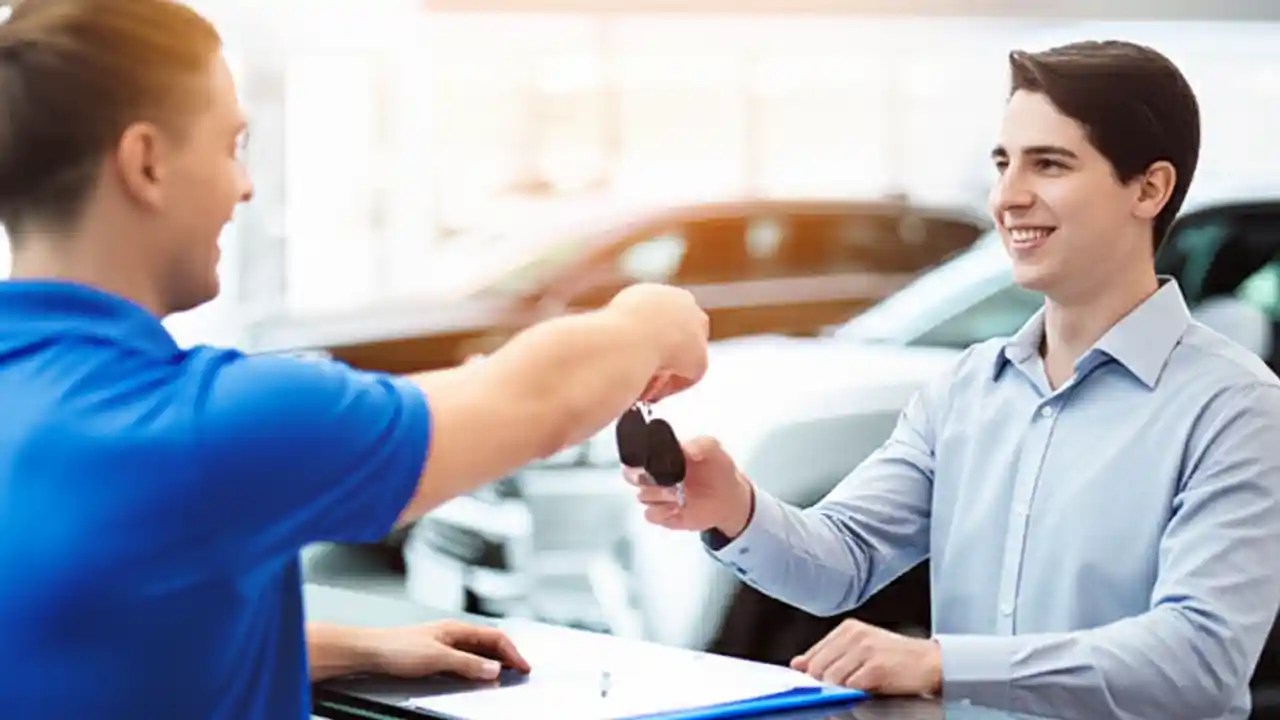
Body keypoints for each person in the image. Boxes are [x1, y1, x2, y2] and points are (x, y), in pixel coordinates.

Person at [0, 1, 707, 718]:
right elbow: (534, 400)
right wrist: (650, 322)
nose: (243, 187)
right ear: (146, 162)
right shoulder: (199, 428)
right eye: (230, 146)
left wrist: (365, 649)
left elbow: (94, 625)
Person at [631, 40, 1280, 720]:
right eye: (1003, 164)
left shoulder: (1234, 407)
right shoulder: (969, 388)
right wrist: (732, 507)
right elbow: (844, 560)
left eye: (1049, 164)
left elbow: (1199, 658)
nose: (1008, 197)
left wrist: (942, 662)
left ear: (1149, 188)